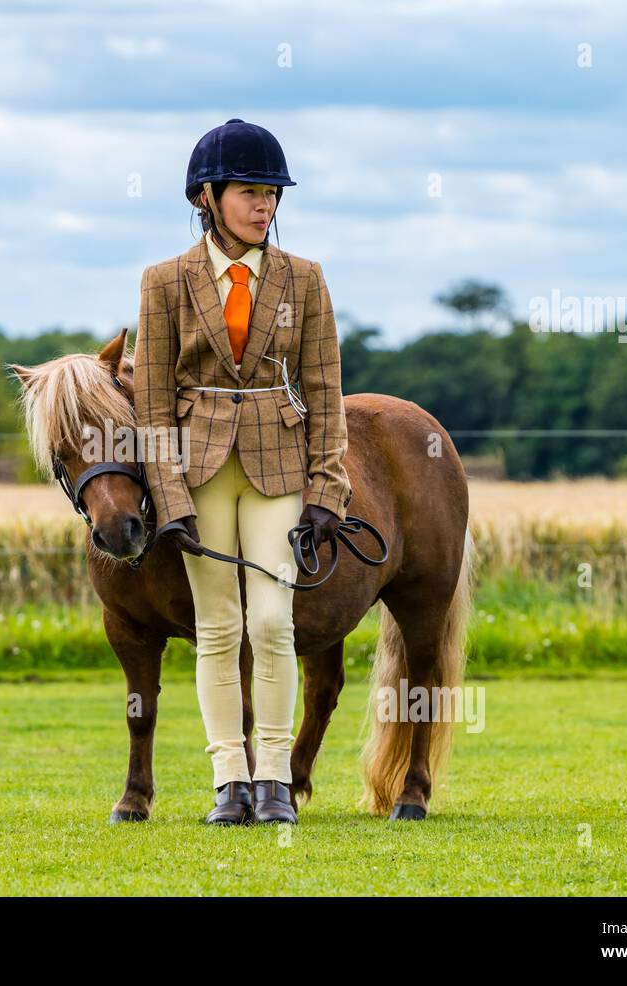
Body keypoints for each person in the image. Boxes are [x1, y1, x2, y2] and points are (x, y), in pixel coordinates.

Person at [133, 118, 353, 825]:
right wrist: (166, 492)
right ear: (207, 196)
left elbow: (324, 391)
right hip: (196, 470)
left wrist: (327, 488)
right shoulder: (164, 281)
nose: (265, 206)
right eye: (250, 193)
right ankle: (229, 779)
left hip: (277, 463)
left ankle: (275, 780)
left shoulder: (305, 279)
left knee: (271, 620)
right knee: (218, 627)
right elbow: (151, 400)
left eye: (272, 194)